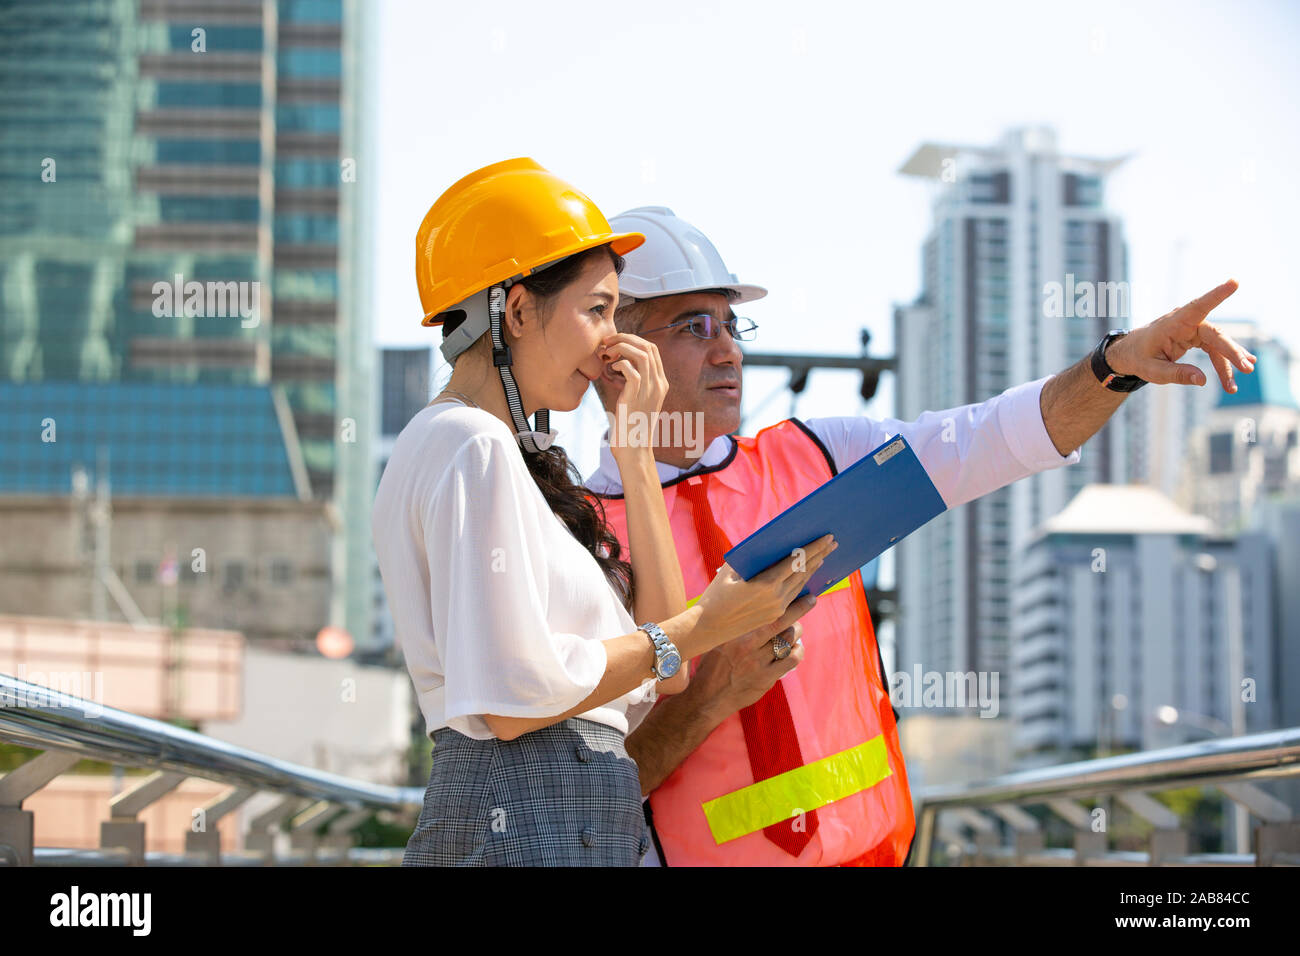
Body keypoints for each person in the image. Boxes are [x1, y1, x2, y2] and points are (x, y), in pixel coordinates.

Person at [584, 206, 1255, 867]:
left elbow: (997, 436)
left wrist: (1116, 364)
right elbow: (582, 796)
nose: (729, 347)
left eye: (732, 324)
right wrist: (709, 695)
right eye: (695, 326)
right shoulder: (576, 537)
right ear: (615, 353)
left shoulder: (822, 458)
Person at [372, 162, 835, 866]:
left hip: (560, 823)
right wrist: (706, 624)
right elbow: (512, 698)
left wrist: (636, 451)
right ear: (518, 312)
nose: (612, 343)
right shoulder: (470, 443)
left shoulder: (500, 456)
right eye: (596, 311)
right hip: (526, 819)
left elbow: (667, 667)